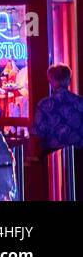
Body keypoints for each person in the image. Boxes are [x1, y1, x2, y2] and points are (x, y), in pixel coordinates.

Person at [32, 64, 83, 195]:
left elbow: (39, 132)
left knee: (55, 192)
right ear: (69, 80)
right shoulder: (80, 102)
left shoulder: (44, 104)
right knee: (76, 190)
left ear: (51, 80)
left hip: (53, 155)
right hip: (78, 154)